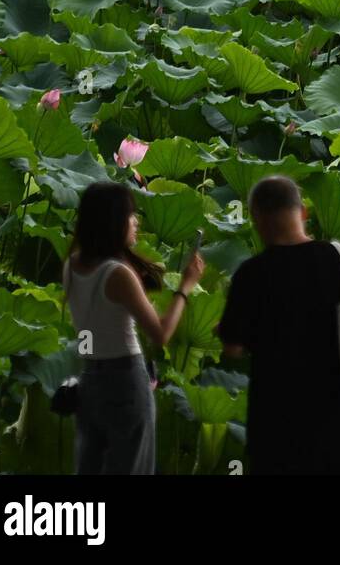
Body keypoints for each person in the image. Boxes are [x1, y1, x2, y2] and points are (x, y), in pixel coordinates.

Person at [218, 176, 340, 476]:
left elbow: (232, 348)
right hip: (334, 417)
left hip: (275, 422)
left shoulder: (251, 274)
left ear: (256, 217)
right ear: (304, 212)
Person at [63, 182, 204, 475]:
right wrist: (186, 286)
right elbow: (161, 334)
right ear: (113, 221)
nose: (136, 221)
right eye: (130, 214)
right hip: (125, 383)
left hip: (90, 380)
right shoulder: (118, 274)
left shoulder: (71, 266)